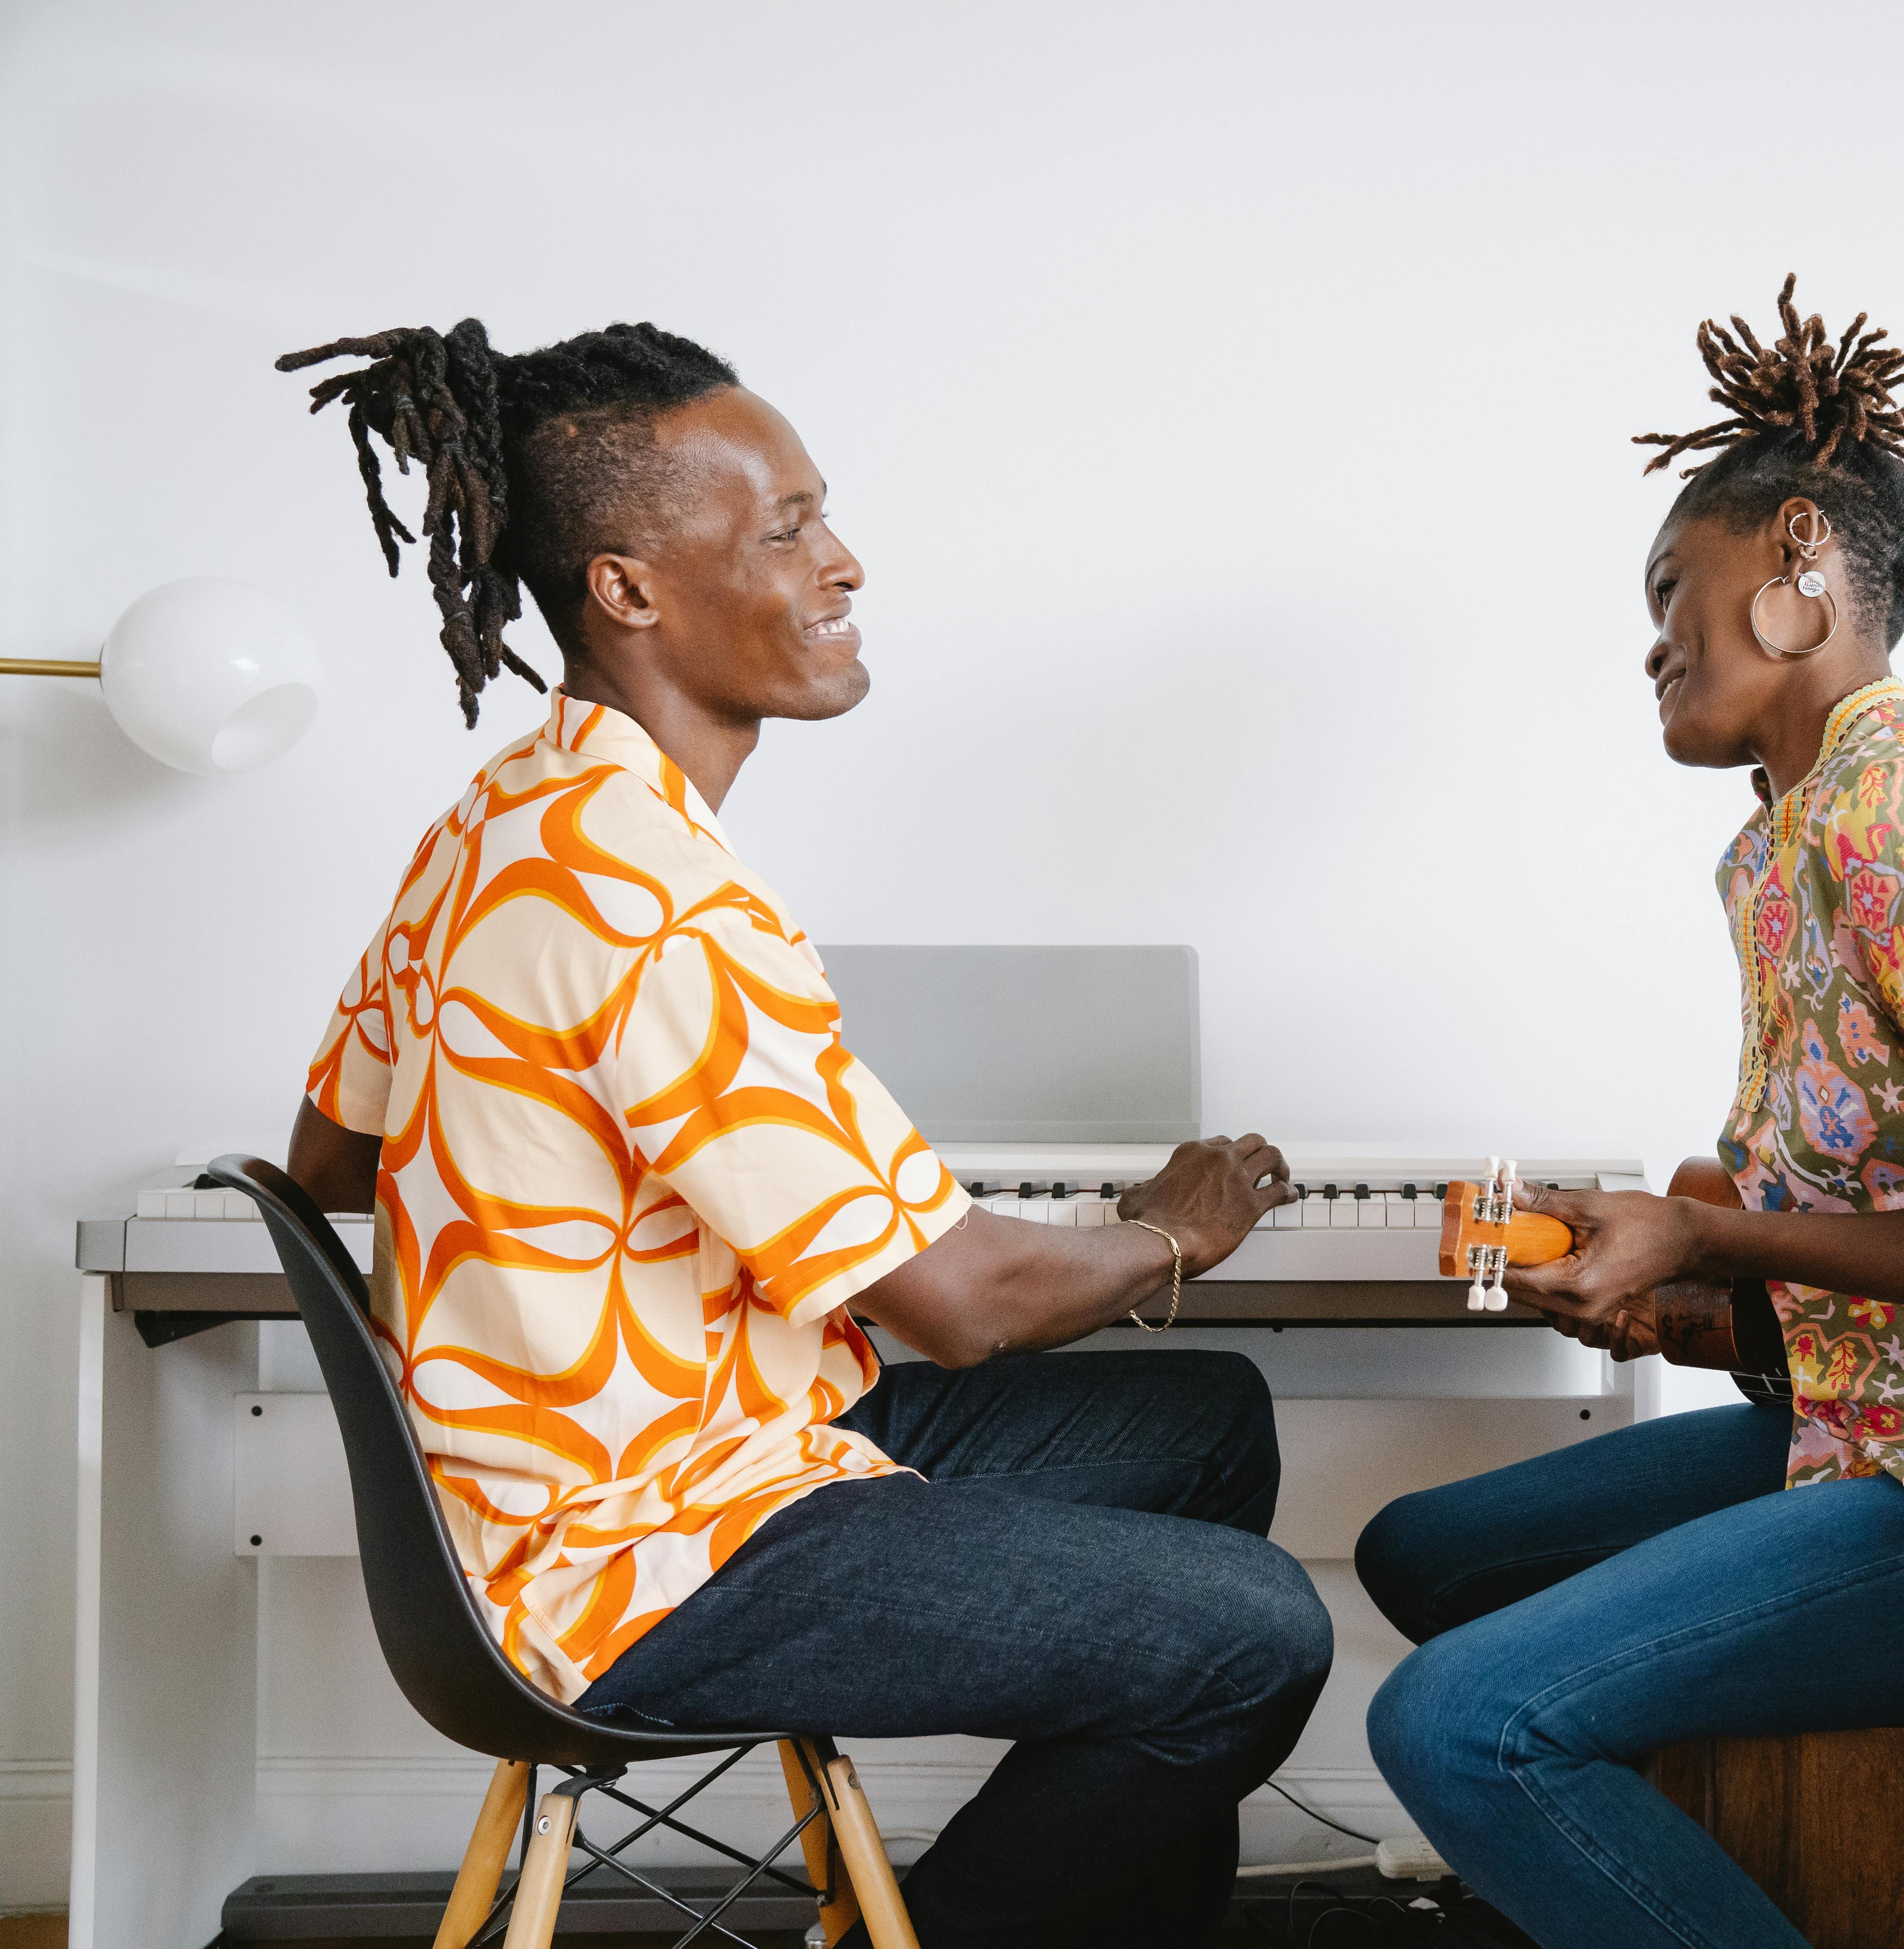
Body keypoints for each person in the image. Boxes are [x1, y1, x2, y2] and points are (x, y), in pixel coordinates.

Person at [277, 319, 1331, 1949]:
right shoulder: (660, 906)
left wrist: (597, 1178)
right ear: (625, 589)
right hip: (643, 1553)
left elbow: (329, 1158)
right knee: (1256, 1634)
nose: (843, 564)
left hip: (643, 1472)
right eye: (785, 529)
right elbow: (963, 1308)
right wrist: (1178, 1230)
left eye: (822, 515)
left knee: (1207, 1428)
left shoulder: (506, 818)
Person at [1353, 280, 1904, 1949]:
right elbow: (1873, 1222)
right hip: (1901, 1426)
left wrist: (1704, 1226)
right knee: (1429, 1553)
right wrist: (1723, 1297)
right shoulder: (1786, 836)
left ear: (1796, 569)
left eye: (1667, 594)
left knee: (1456, 1722)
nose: (1648, 644)